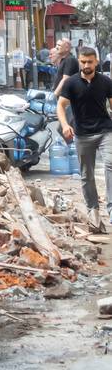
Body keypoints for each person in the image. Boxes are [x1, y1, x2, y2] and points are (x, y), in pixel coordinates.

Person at [57, 45, 112, 233]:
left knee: (111, 164)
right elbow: (61, 105)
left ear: (96, 61)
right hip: (82, 134)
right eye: (83, 62)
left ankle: (111, 210)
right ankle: (93, 210)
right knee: (86, 175)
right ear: (79, 61)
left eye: (90, 61)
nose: (86, 65)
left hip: (105, 130)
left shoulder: (105, 82)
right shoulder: (71, 83)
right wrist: (65, 125)